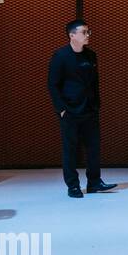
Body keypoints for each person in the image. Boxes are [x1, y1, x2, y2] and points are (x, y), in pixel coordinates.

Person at [48, 20, 116, 198]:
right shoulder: (60, 56)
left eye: (88, 32)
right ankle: (73, 186)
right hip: (69, 111)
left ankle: (94, 182)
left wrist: (96, 105)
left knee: (94, 147)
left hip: (90, 110)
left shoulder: (91, 55)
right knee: (70, 149)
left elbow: (95, 83)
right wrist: (61, 109)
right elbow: (53, 85)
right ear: (72, 35)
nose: (88, 35)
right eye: (84, 32)